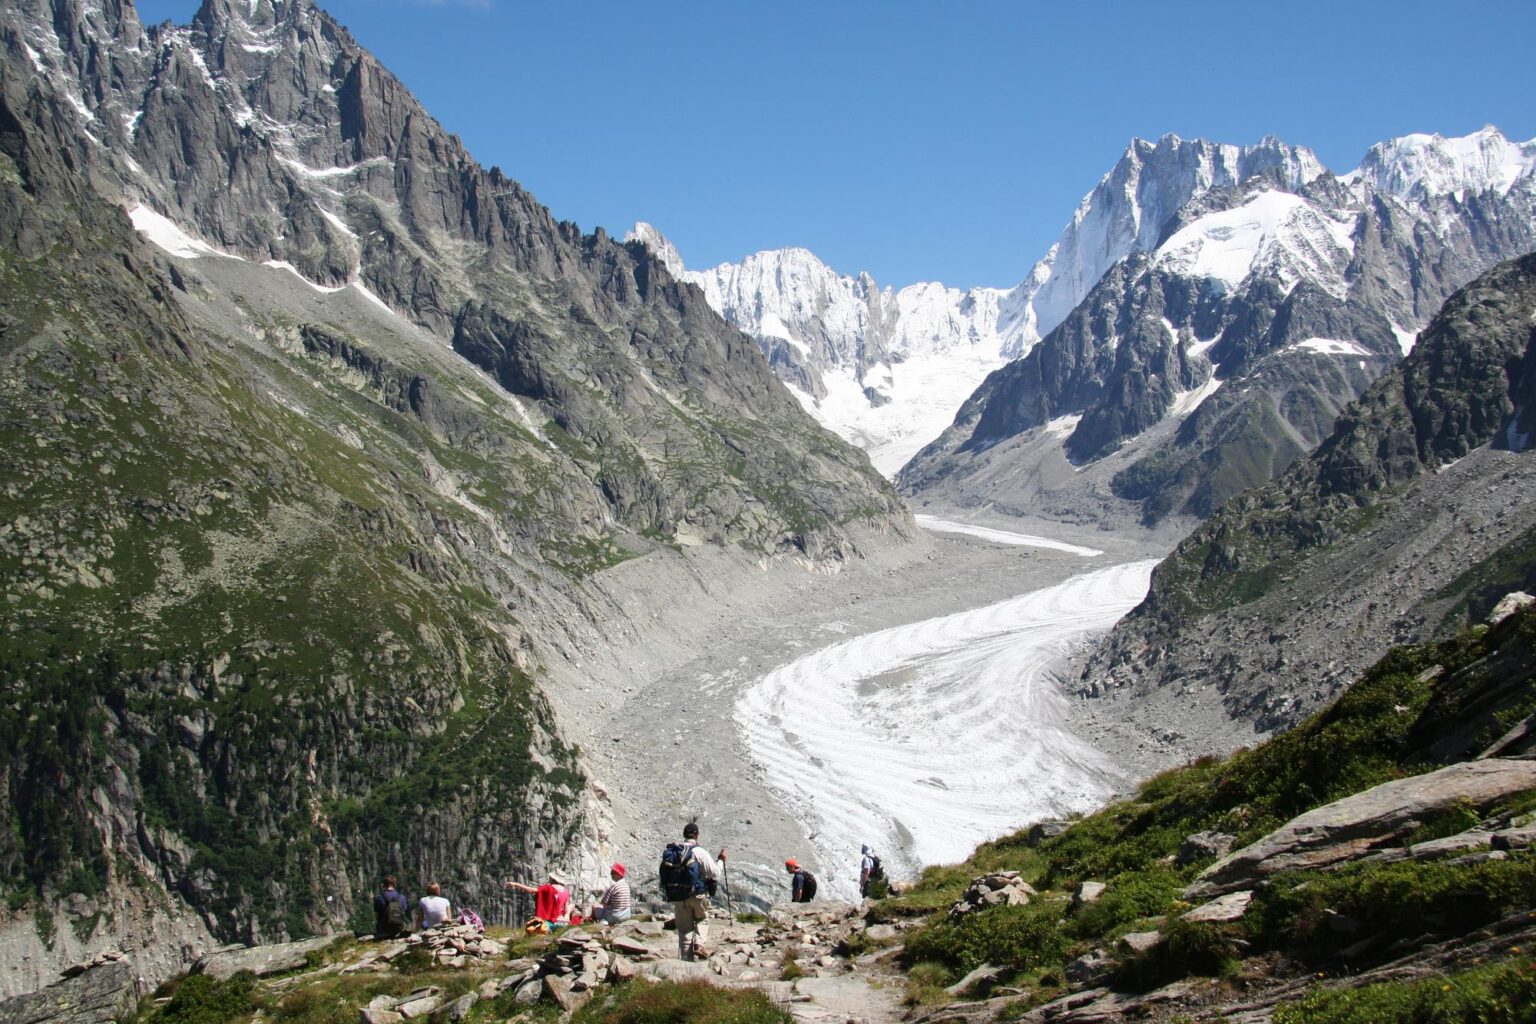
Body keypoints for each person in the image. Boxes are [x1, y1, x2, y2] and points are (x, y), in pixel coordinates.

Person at [665, 822, 723, 961]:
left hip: (678, 895)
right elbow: (714, 873)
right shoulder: (699, 851)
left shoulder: (674, 851)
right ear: (697, 835)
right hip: (697, 894)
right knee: (702, 919)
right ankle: (699, 944)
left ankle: (686, 961)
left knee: (684, 930)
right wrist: (720, 860)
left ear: (684, 834)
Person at [505, 871, 572, 930]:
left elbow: (531, 890)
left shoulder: (548, 888)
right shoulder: (566, 892)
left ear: (552, 878)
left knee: (533, 928)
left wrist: (515, 884)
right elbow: (565, 911)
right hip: (563, 923)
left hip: (551, 923)